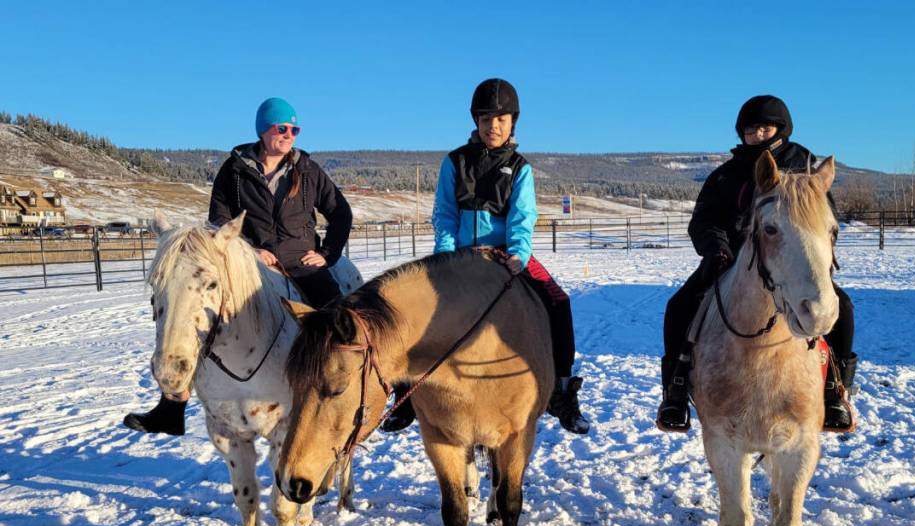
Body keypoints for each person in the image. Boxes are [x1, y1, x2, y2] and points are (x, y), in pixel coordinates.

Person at [123, 97, 353, 435]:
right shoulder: (234, 171)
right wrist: (251, 250)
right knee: (197, 312)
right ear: (264, 130)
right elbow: (219, 218)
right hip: (249, 260)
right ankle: (172, 405)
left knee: (338, 316)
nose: (290, 135)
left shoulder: (308, 170)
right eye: (282, 128)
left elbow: (340, 212)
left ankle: (340, 393)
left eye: (295, 129)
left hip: (301, 261)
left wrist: (328, 254)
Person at [380, 78, 590, 435]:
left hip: (506, 253)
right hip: (459, 254)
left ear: (512, 122)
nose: (493, 126)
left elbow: (523, 218)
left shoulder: (520, 168)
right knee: (414, 305)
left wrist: (518, 254)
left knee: (558, 302)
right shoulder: (455, 162)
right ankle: (405, 393)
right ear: (476, 122)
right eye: (486, 119)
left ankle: (561, 389)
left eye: (501, 119)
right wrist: (447, 256)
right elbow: (445, 213)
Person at [657, 94, 857, 432]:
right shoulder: (726, 175)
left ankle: (836, 390)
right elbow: (703, 220)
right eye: (751, 130)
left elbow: (825, 219)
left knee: (844, 307)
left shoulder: (805, 167)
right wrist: (718, 249)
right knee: (679, 306)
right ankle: (675, 389)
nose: (758, 135)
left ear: (781, 129)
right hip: (730, 259)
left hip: (790, 260)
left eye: (765, 128)